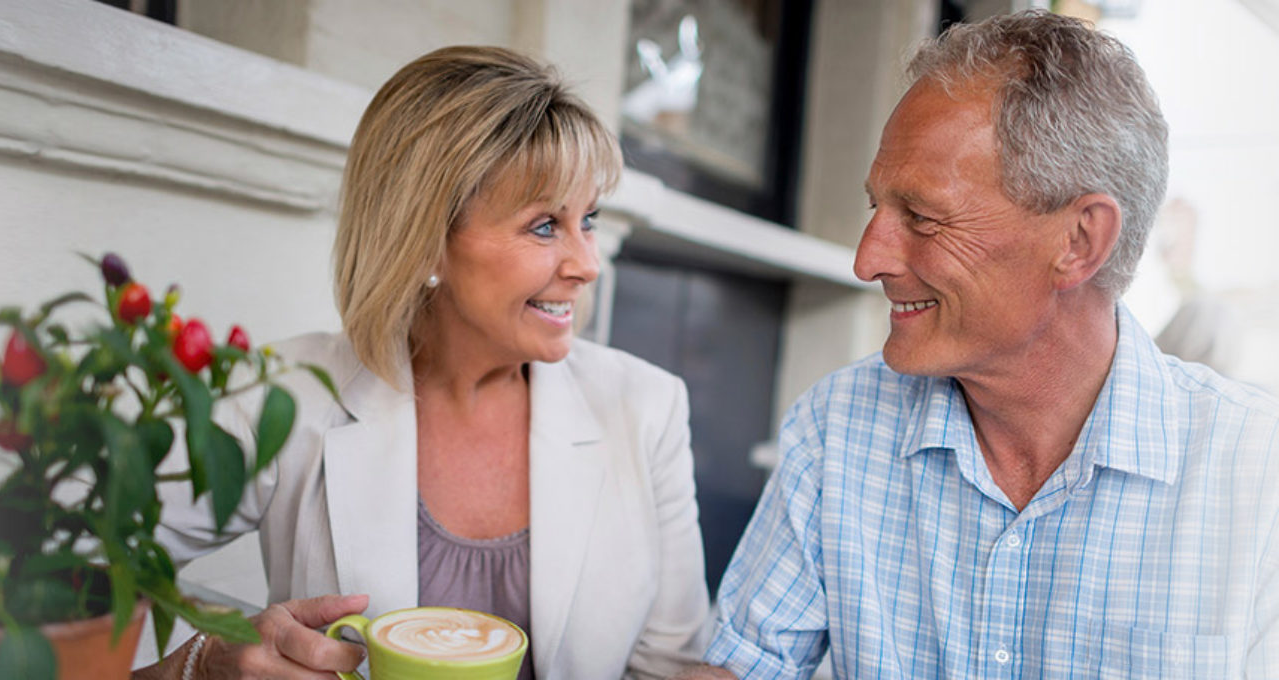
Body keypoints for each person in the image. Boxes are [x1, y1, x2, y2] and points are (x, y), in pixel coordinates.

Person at [679, 10, 1279, 679]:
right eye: (875, 208)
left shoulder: (1259, 480)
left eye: (924, 218)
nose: (867, 258)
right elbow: (744, 667)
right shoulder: (838, 428)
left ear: (1080, 241)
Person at [135, 46, 709, 680]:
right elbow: (49, 579)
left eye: (588, 219)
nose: (587, 263)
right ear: (424, 235)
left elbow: (671, 669)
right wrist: (200, 665)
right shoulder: (288, 396)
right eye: (545, 225)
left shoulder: (647, 409)